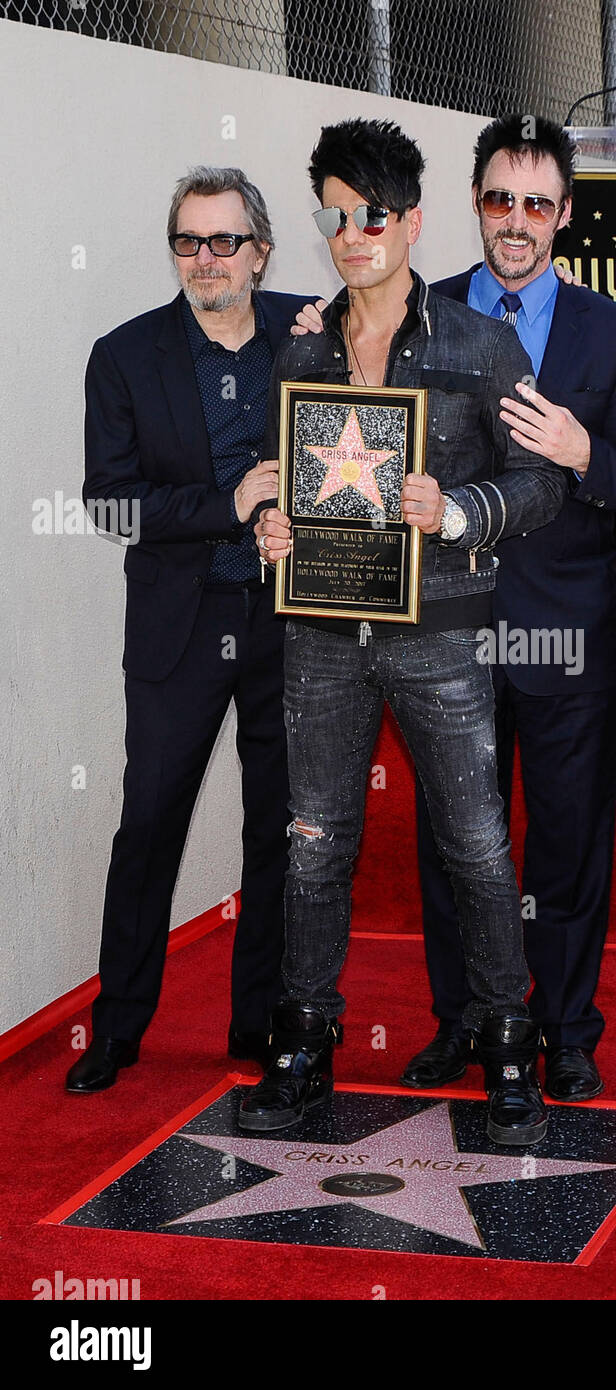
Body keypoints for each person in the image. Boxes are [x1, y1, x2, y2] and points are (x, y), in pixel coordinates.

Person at [243, 119, 566, 1145]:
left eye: (371, 215)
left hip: (445, 634)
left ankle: (509, 1044)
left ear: (413, 222)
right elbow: (270, 473)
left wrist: (460, 508)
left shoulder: (481, 342)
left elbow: (543, 482)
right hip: (322, 634)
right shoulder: (298, 341)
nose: (351, 234)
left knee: (474, 846)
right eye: (334, 215)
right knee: (313, 844)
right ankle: (300, 1048)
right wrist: (267, 519)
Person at [403, 115, 616, 1104]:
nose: (516, 220)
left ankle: (566, 1027)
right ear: (475, 203)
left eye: (536, 203)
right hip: (443, 627)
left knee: (565, 837)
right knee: (451, 836)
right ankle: (462, 1020)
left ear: (567, 215)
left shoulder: (615, 332)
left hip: (563, 628)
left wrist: (584, 453)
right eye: (500, 199)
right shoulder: (415, 316)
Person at [68, 168, 308, 1094]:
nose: (204, 260)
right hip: (181, 625)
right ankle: (119, 1028)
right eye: (187, 241)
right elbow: (111, 504)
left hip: (291, 622)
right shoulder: (123, 356)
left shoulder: (308, 330)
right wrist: (227, 503)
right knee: (149, 827)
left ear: (262, 249)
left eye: (224, 242)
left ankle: (260, 1024)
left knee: (279, 834)